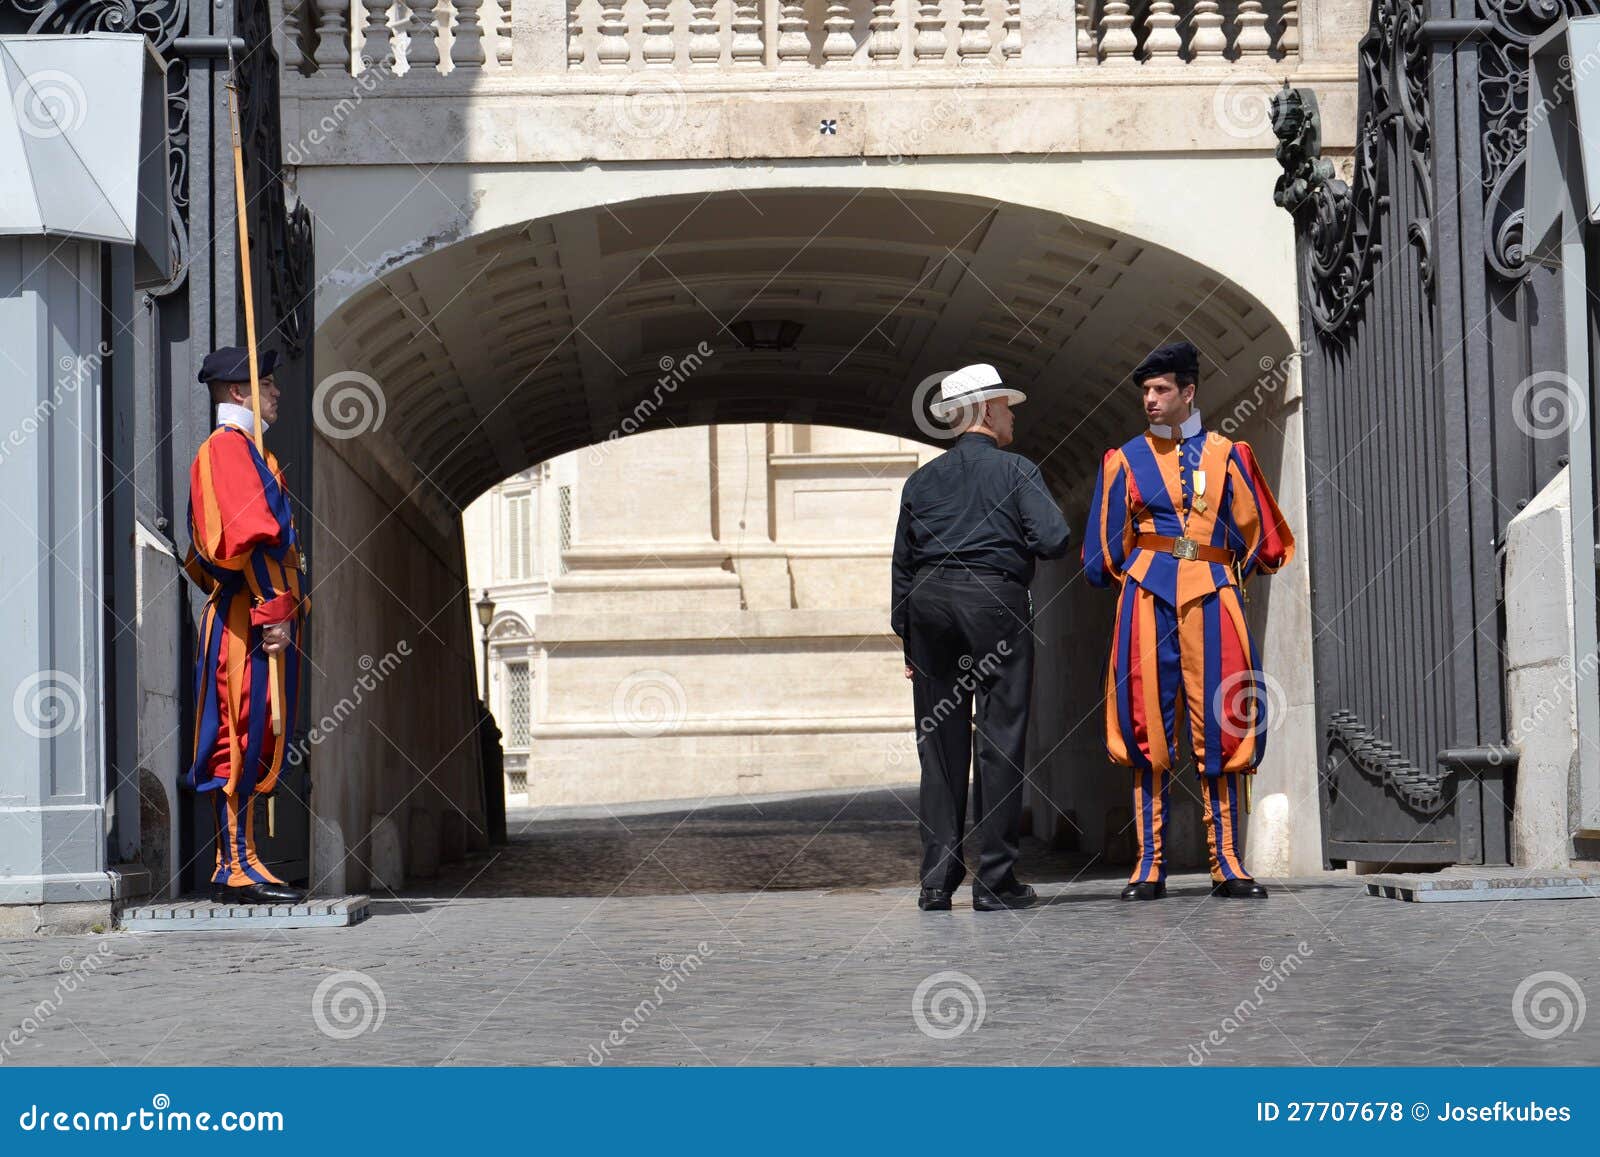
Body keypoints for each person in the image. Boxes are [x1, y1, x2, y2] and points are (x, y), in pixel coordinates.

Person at [1083, 340, 1294, 901]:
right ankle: (1148, 865)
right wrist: (1142, 569)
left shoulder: (1232, 454)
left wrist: (1226, 573)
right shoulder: (1122, 460)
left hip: (1213, 599)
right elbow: (1102, 556)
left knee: (1225, 721)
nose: (1150, 401)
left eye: (1160, 391)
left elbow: (1266, 539)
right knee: (1145, 727)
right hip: (1146, 601)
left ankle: (1227, 863)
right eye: (1145, 393)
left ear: (1188, 393)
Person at [892, 364, 1072, 912]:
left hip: (928, 607)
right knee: (998, 739)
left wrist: (909, 640)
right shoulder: (1016, 471)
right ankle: (995, 882)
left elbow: (902, 565)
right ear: (988, 410)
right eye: (1007, 406)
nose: (1012, 414)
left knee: (939, 747)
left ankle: (936, 882)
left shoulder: (921, 481)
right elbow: (1055, 538)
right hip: (992, 602)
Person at [182, 346, 309, 905]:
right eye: (267, 383)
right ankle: (232, 866)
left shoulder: (255, 454)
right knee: (236, 734)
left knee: (258, 735)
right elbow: (246, 539)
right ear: (238, 392)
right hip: (246, 619)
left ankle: (246, 857)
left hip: (258, 615)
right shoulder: (226, 451)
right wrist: (274, 609)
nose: (277, 392)